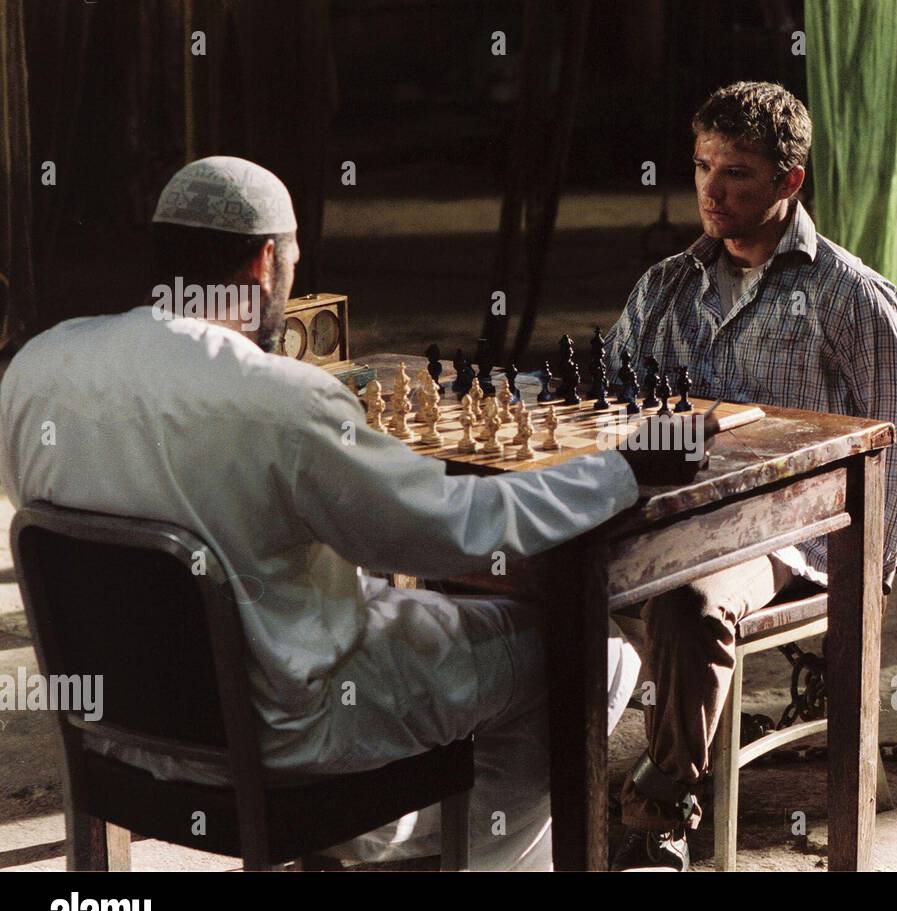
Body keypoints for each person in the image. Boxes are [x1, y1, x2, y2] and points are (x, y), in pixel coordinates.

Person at [0, 156, 704, 870]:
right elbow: (451, 531)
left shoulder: (38, 368)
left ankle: (378, 849)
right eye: (292, 263)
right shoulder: (278, 399)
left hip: (119, 725)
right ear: (265, 261)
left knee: (389, 617)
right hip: (283, 728)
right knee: (591, 657)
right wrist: (618, 469)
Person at [607, 82, 897, 870]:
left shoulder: (850, 297)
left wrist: (870, 568)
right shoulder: (664, 288)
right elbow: (613, 409)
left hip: (796, 540)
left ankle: (660, 810)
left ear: (790, 182)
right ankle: (531, 784)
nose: (711, 192)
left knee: (689, 602)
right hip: (679, 519)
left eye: (737, 175)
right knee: (543, 570)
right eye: (701, 168)